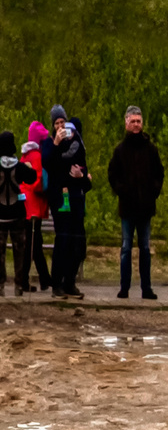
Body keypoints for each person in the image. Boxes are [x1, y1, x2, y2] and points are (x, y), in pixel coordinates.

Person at [107, 106, 164, 300]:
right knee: (125, 248)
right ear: (126, 123)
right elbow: (112, 176)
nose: (136, 124)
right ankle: (124, 287)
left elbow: (159, 173)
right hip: (127, 208)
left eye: (139, 121)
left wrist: (153, 192)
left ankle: (146, 288)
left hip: (146, 207)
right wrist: (123, 192)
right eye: (133, 121)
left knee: (146, 249)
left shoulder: (151, 149)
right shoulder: (120, 150)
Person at [47, 114, 91, 299]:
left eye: (65, 125)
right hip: (61, 202)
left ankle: (69, 282)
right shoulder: (53, 147)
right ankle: (56, 284)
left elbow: (87, 184)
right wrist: (56, 144)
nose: (66, 131)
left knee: (79, 245)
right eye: (58, 124)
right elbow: (49, 165)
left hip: (77, 202)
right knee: (63, 242)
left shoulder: (79, 151)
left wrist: (81, 177)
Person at [0, 131, 37, 296]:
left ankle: (0, 285)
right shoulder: (20, 166)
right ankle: (19, 285)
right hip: (17, 215)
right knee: (19, 253)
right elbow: (32, 177)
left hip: (0, 215)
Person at [21, 122, 50, 292]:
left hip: (25, 204)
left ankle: (45, 279)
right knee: (32, 245)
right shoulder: (37, 157)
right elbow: (38, 182)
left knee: (35, 243)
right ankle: (23, 279)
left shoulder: (24, 156)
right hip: (34, 206)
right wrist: (47, 191)